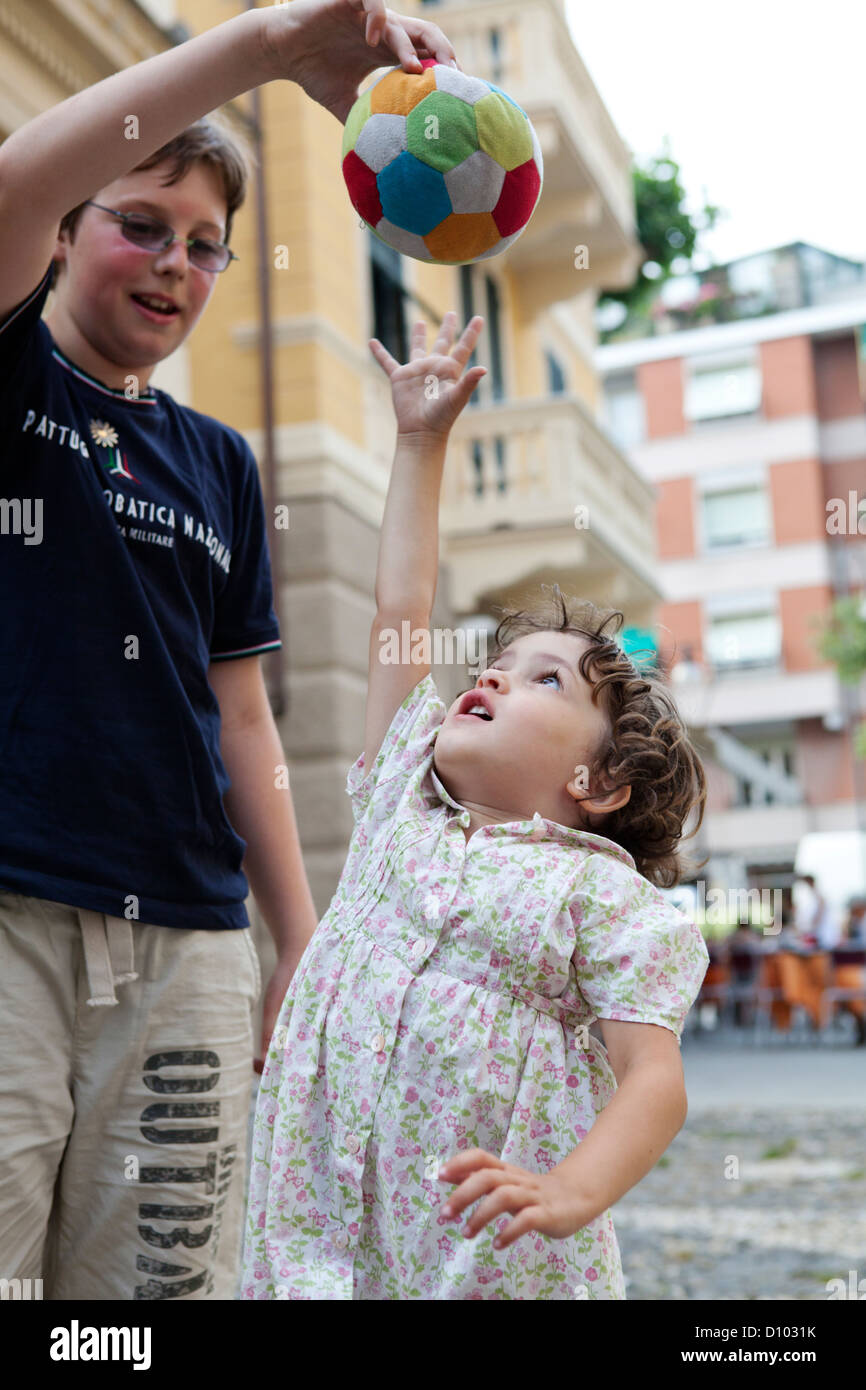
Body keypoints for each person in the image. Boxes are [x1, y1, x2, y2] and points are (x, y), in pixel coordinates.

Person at [0, 0, 462, 1300]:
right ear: (63, 235)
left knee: (155, 1298)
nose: (173, 265)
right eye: (138, 225)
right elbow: (15, 176)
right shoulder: (16, 376)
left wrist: (296, 943)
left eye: (207, 247)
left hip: (190, 950)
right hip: (15, 915)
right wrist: (266, 47)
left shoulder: (220, 462)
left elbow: (242, 719)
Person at [241, 313, 711, 1301]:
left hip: (485, 1254)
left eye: (540, 682)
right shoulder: (398, 802)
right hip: (323, 1238)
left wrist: (569, 1189)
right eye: (493, 665)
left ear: (597, 783)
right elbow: (401, 613)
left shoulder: (599, 897)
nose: (491, 679)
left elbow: (651, 1082)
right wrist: (419, 439)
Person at [794, 874, 840, 950]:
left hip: (823, 936)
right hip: (820, 935)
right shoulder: (813, 895)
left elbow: (820, 912)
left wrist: (810, 928)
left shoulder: (819, 894)